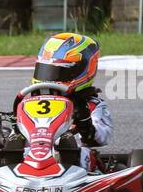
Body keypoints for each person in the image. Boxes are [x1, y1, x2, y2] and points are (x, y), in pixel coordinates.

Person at [25, 32, 112, 168]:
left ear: (84, 70)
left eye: (58, 72)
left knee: (79, 151)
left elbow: (102, 137)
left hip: (73, 160)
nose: (49, 79)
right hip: (33, 153)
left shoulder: (91, 105)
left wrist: (85, 123)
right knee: (0, 139)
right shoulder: (31, 101)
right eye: (45, 70)